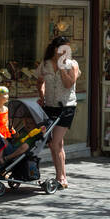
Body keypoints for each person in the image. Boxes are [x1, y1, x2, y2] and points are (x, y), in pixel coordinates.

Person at [38, 35, 80, 190]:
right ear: (56, 49)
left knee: (55, 142)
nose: (66, 51)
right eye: (63, 48)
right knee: (55, 143)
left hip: (66, 106)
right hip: (49, 106)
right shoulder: (45, 64)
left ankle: (61, 177)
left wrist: (62, 68)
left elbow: (69, 84)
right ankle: (61, 177)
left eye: (68, 49)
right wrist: (42, 96)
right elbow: (40, 81)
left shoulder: (72, 64)